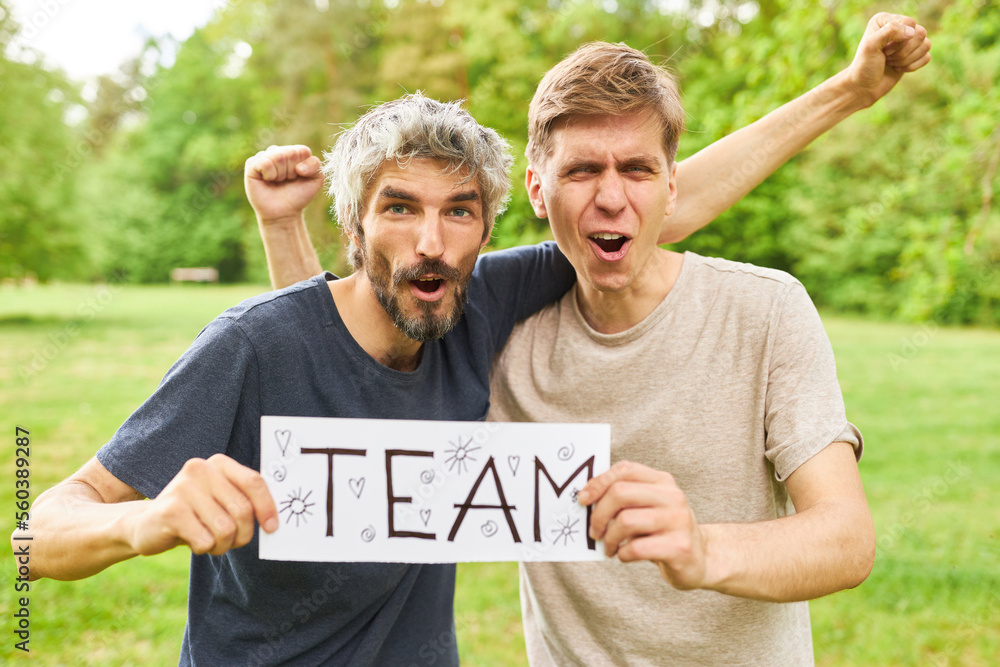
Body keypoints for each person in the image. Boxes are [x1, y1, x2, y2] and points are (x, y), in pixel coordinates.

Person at [17, 13, 930, 666]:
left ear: (488, 227)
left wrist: (850, 92)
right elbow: (37, 534)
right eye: (400, 208)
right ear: (356, 223)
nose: (430, 240)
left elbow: (646, 201)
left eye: (458, 212)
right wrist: (146, 520)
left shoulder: (479, 304)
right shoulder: (259, 343)